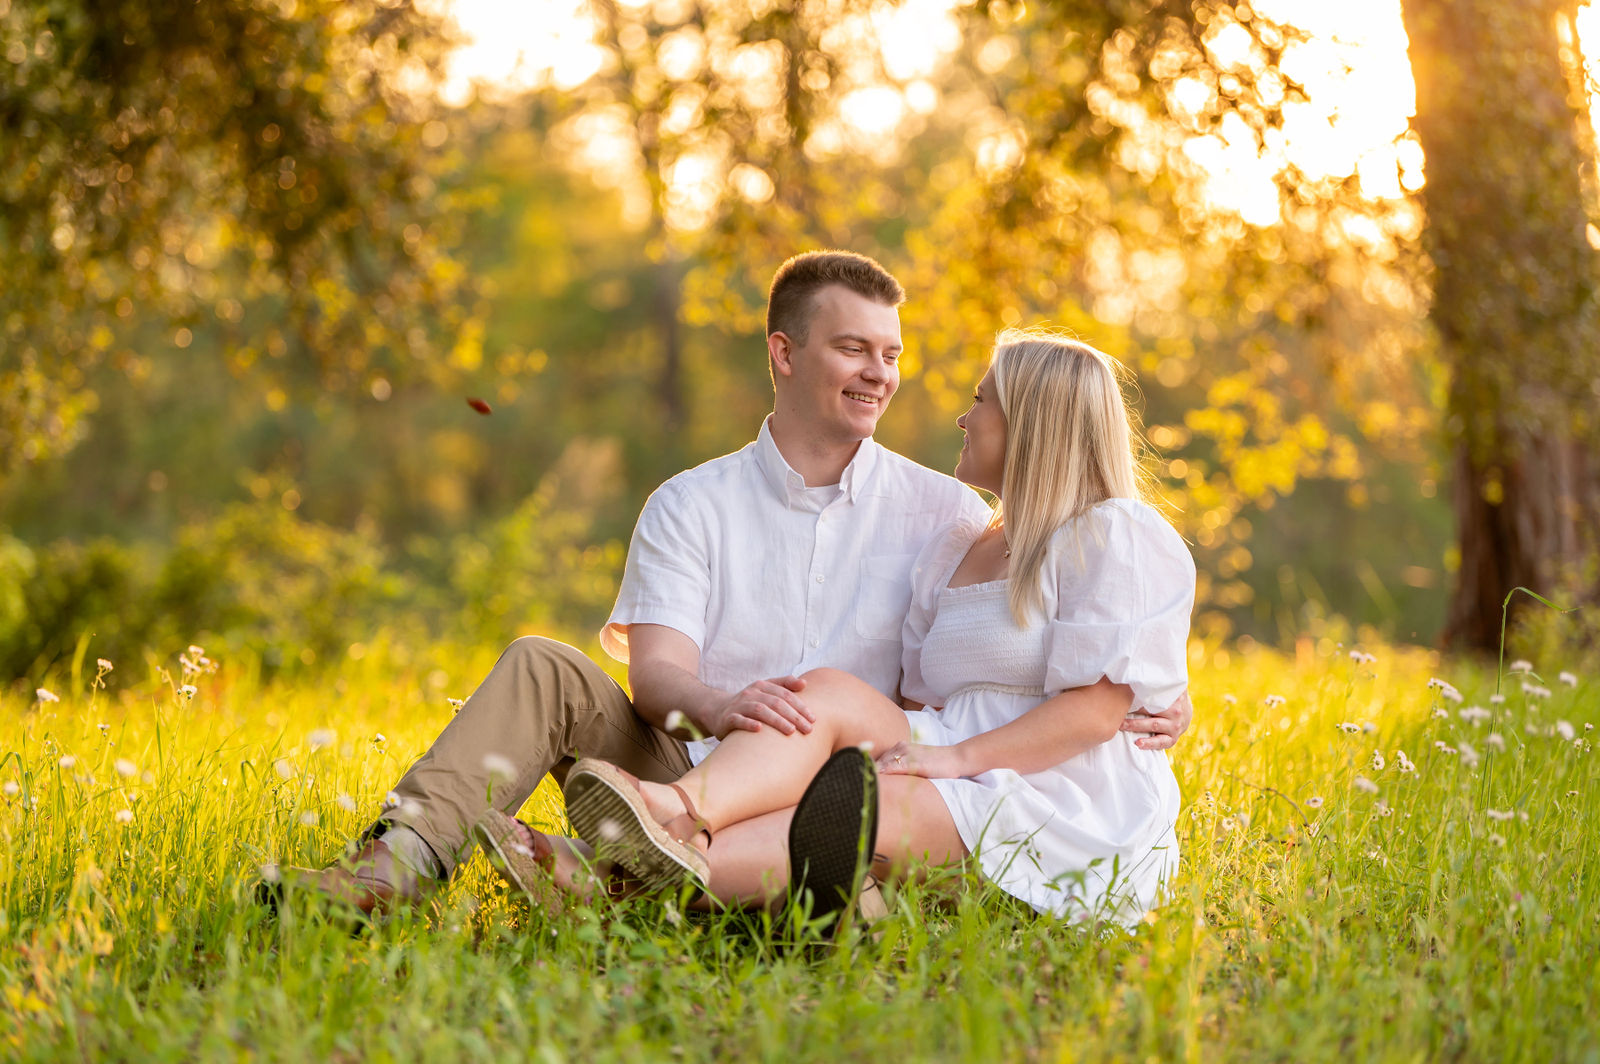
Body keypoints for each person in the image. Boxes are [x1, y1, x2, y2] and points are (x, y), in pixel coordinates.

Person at [269, 252, 1191, 915]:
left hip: (850, 784)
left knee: (845, 771)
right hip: (687, 760)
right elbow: (657, 680)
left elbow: (1033, 669)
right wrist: (727, 706)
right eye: (853, 349)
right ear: (785, 354)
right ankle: (394, 868)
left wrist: (1154, 705)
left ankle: (663, 876)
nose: (881, 374)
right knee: (542, 665)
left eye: (891, 353)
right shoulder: (690, 503)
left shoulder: (947, 514)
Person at [550, 330, 1193, 924]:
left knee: (850, 811)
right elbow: (916, 703)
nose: (964, 418)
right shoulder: (959, 546)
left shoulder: (1114, 534)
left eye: (981, 401)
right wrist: (904, 750)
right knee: (822, 689)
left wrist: (954, 760)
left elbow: (1096, 711)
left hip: (1060, 789)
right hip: (949, 749)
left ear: (1033, 423)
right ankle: (673, 811)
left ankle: (604, 878)